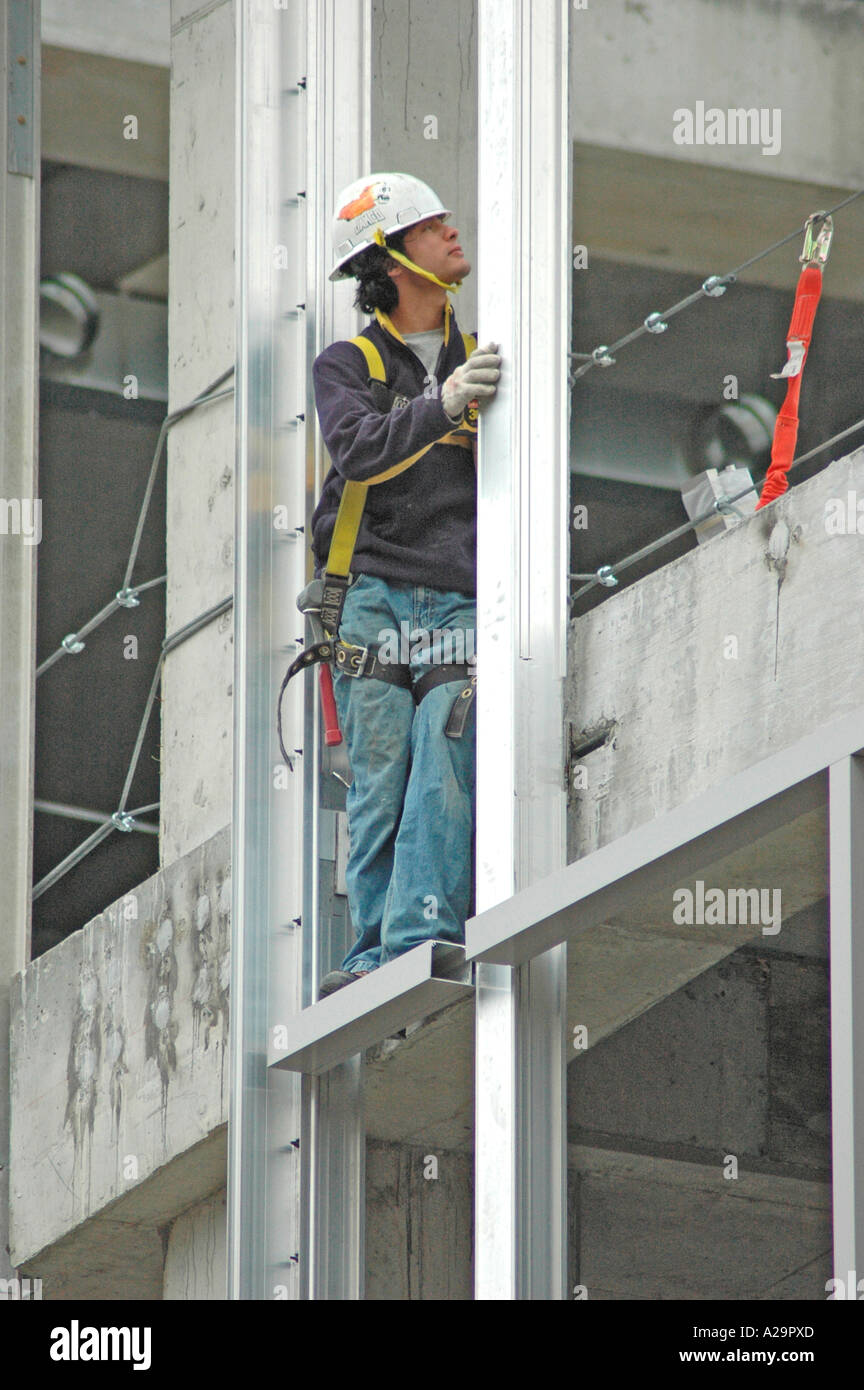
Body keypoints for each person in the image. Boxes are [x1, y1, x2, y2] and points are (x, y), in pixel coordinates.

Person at [311, 172, 501, 997]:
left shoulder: (481, 354)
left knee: (445, 743)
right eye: (430, 225)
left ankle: (420, 935)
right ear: (388, 258)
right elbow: (357, 450)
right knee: (382, 771)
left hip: (456, 595)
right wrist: (446, 404)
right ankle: (369, 958)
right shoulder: (349, 364)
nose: (452, 232)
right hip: (375, 593)